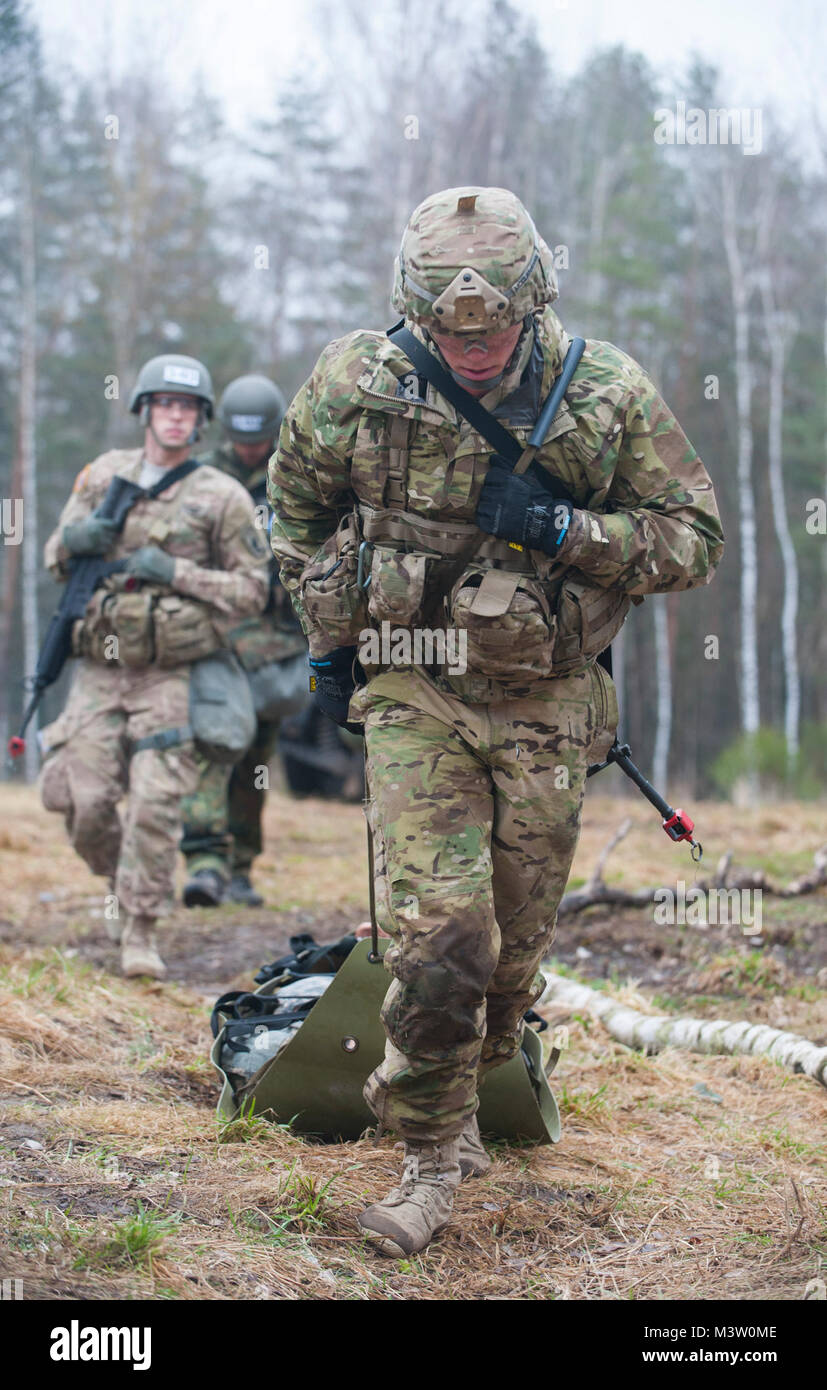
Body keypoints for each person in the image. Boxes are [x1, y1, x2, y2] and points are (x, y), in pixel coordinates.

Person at [267, 187, 724, 1256]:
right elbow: (291, 515)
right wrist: (331, 640)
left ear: (532, 302)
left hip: (543, 696)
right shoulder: (355, 382)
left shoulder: (601, 394)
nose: (471, 349)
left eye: (493, 331)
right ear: (414, 315)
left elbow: (692, 538)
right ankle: (427, 1156)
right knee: (441, 938)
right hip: (409, 683)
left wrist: (569, 529)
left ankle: (467, 1091)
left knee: (510, 954)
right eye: (447, 333)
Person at [39, 354, 270, 978]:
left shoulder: (219, 496)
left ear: (201, 420)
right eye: (165, 404)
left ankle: (140, 927)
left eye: (188, 407)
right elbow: (55, 557)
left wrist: (179, 574)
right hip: (97, 667)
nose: (175, 416)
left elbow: (253, 591)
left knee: (154, 802)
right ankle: (123, 882)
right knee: (80, 800)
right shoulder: (102, 477)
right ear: (145, 410)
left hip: (169, 672)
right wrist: (74, 543)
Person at [180, 374, 306, 908]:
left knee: (255, 761)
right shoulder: (202, 479)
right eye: (241, 439)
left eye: (259, 439)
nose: (250, 449)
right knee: (213, 745)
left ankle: (240, 868)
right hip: (220, 640)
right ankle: (204, 860)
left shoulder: (299, 475)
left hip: (276, 648)